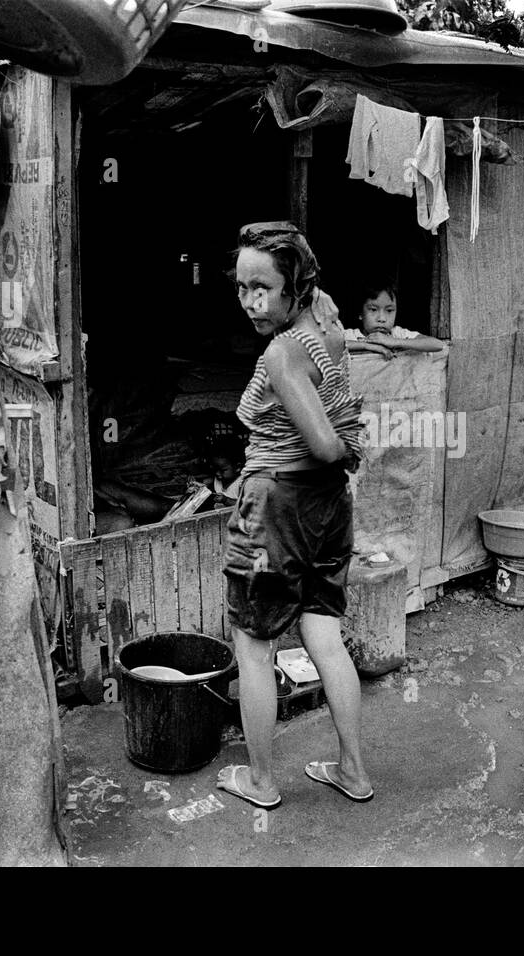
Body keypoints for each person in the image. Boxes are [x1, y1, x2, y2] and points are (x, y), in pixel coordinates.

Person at [215, 221, 374, 810]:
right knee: (323, 635)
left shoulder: (283, 353)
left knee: (253, 643)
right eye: (241, 286)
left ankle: (260, 780)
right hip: (328, 506)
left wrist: (347, 445)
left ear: (294, 287)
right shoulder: (326, 331)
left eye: (263, 287)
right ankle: (352, 770)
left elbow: (329, 445)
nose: (251, 300)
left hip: (280, 507)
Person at [343, 283, 444, 360]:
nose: (382, 319)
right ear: (360, 313)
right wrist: (366, 345)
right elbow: (328, 347)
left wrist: (394, 342)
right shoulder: (350, 335)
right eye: (373, 309)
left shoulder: (398, 334)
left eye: (389, 310)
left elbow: (437, 345)